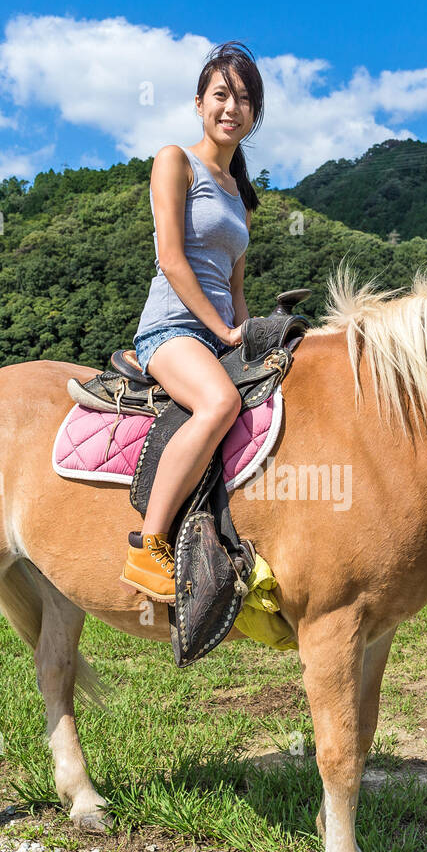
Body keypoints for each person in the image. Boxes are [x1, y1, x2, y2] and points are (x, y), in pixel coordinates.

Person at [120, 40, 264, 601]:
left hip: (220, 335)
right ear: (199, 102)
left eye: (244, 100)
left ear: (254, 115)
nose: (232, 108)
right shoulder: (175, 161)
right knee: (220, 404)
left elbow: (236, 289)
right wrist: (223, 330)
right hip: (172, 330)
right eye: (222, 95)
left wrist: (246, 338)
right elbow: (172, 260)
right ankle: (149, 544)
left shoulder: (241, 197)